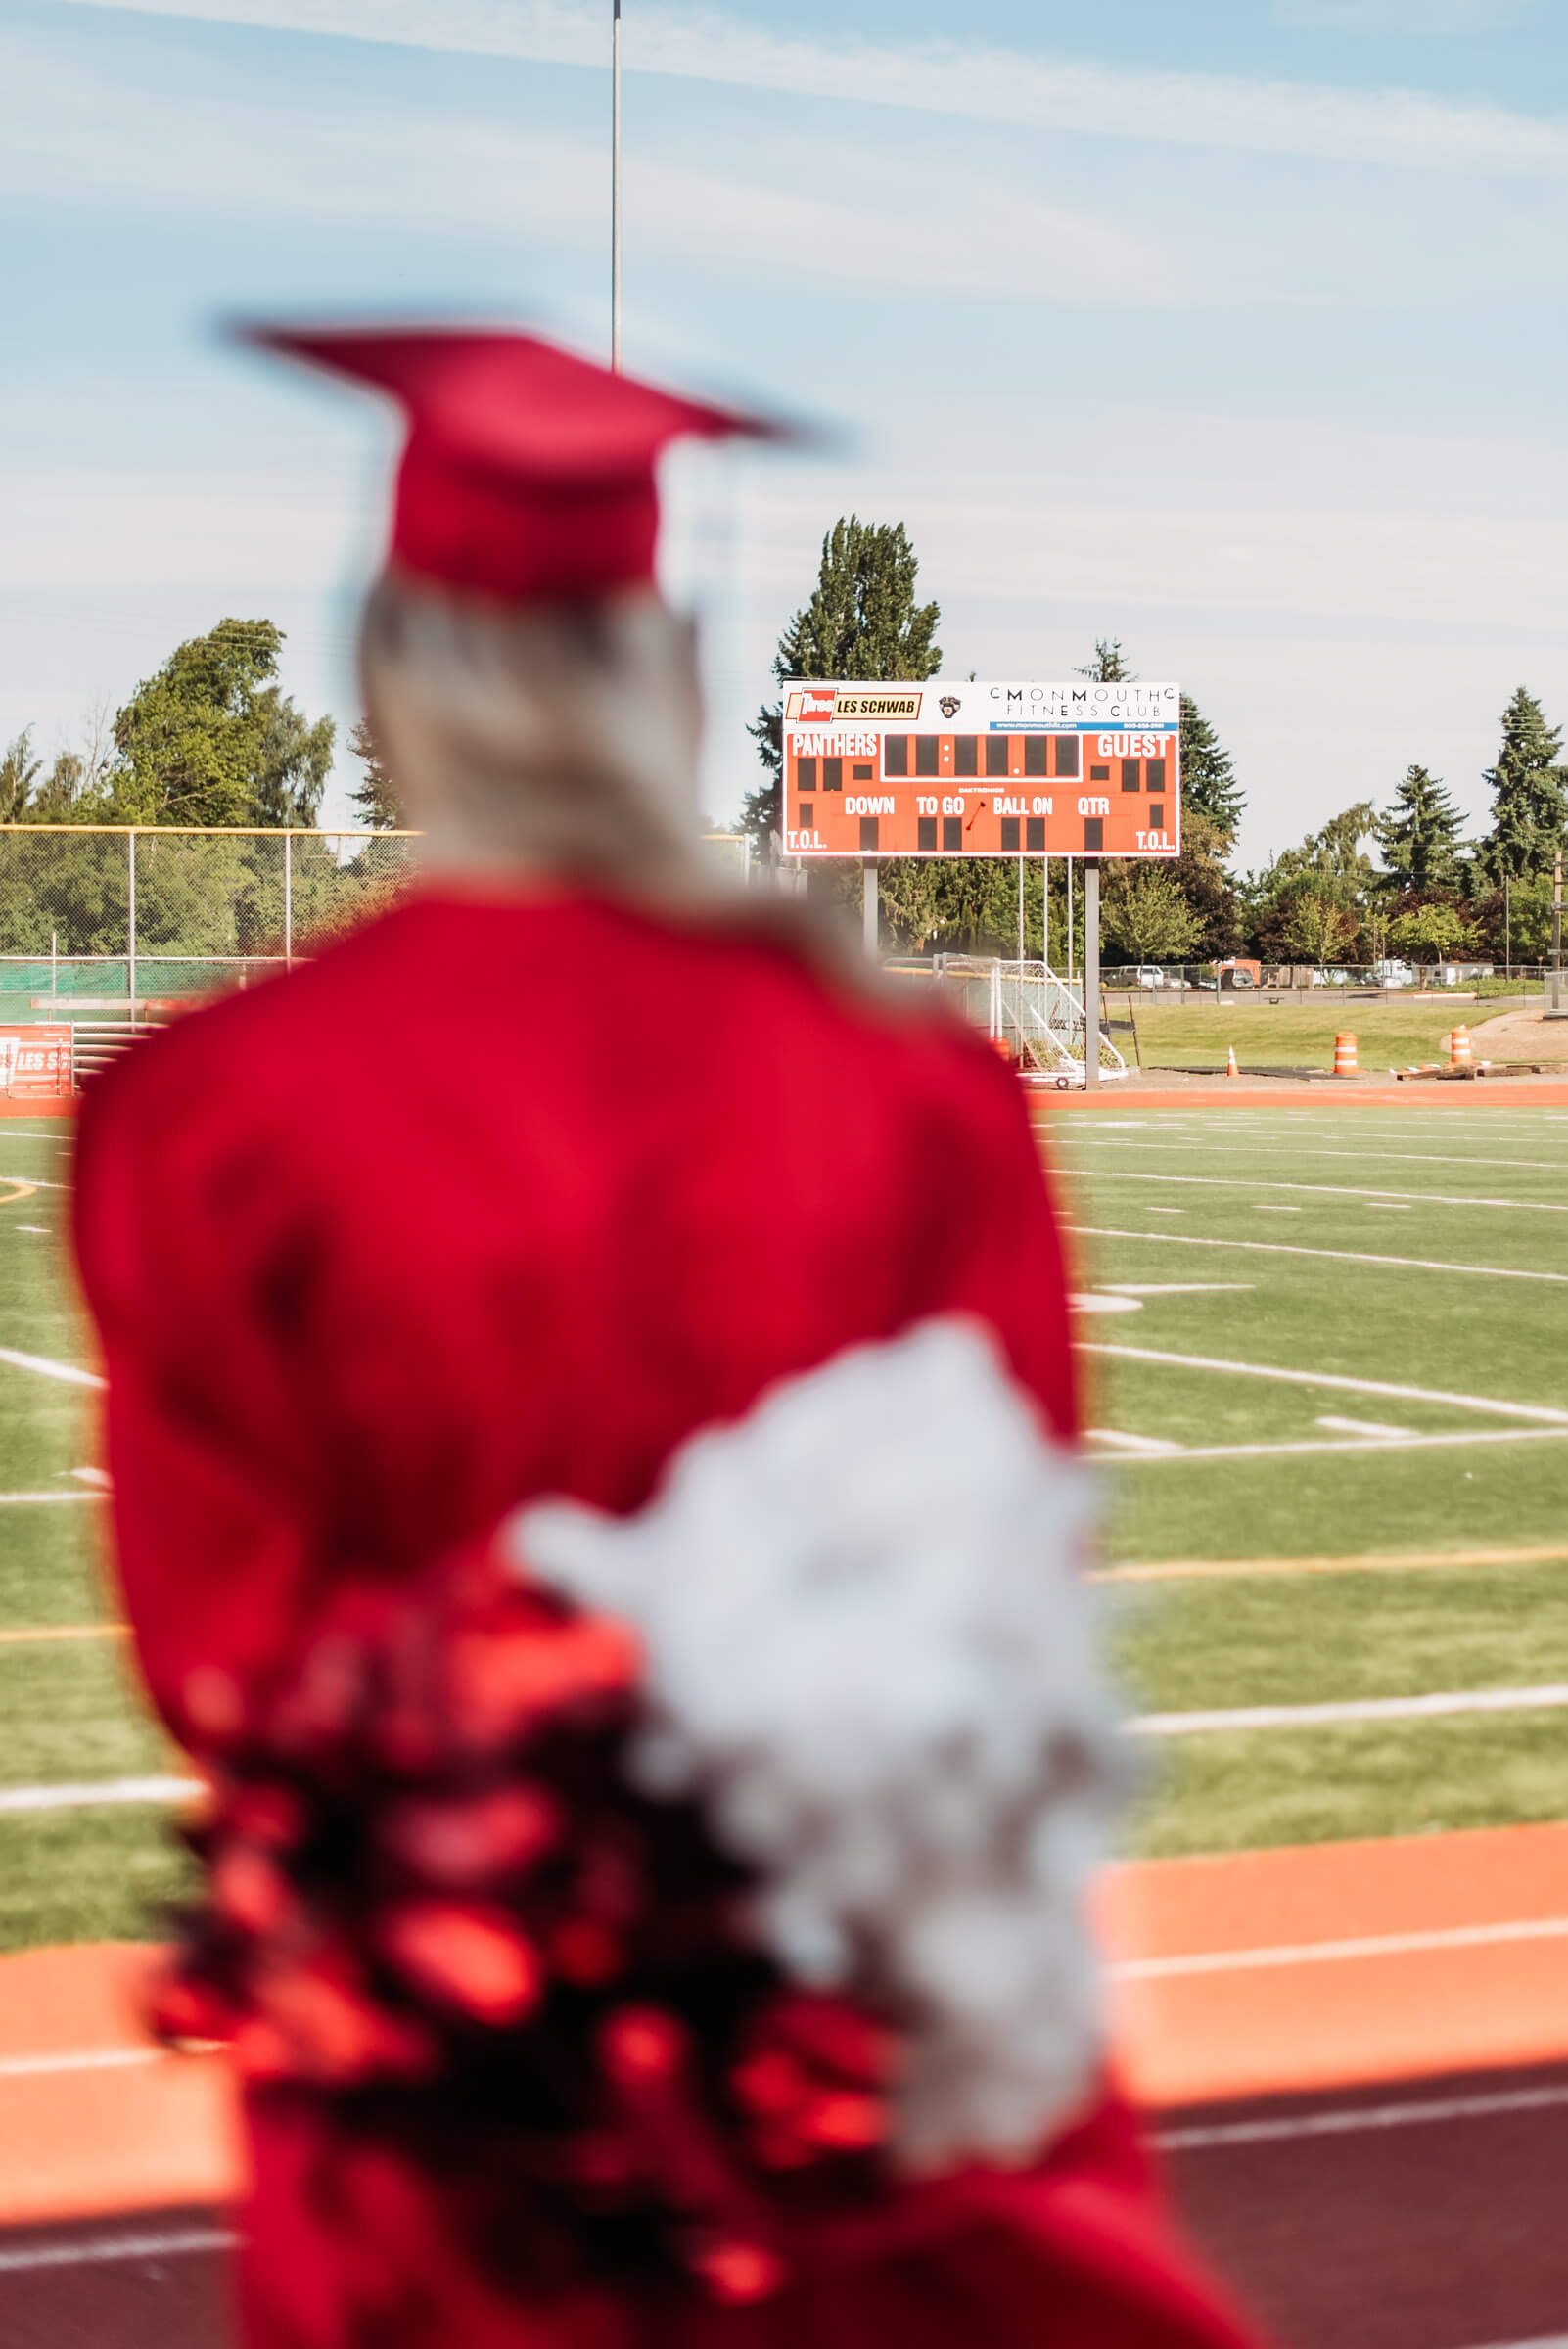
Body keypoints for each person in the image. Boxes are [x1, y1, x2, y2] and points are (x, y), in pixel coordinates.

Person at [72, 326, 1263, 2349]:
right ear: (680, 678)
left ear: (388, 681)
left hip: (449, 2085)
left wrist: (518, 1854)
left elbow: (228, 1661)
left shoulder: (205, 1109)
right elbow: (999, 1589)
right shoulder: (910, 1082)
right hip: (854, 2046)